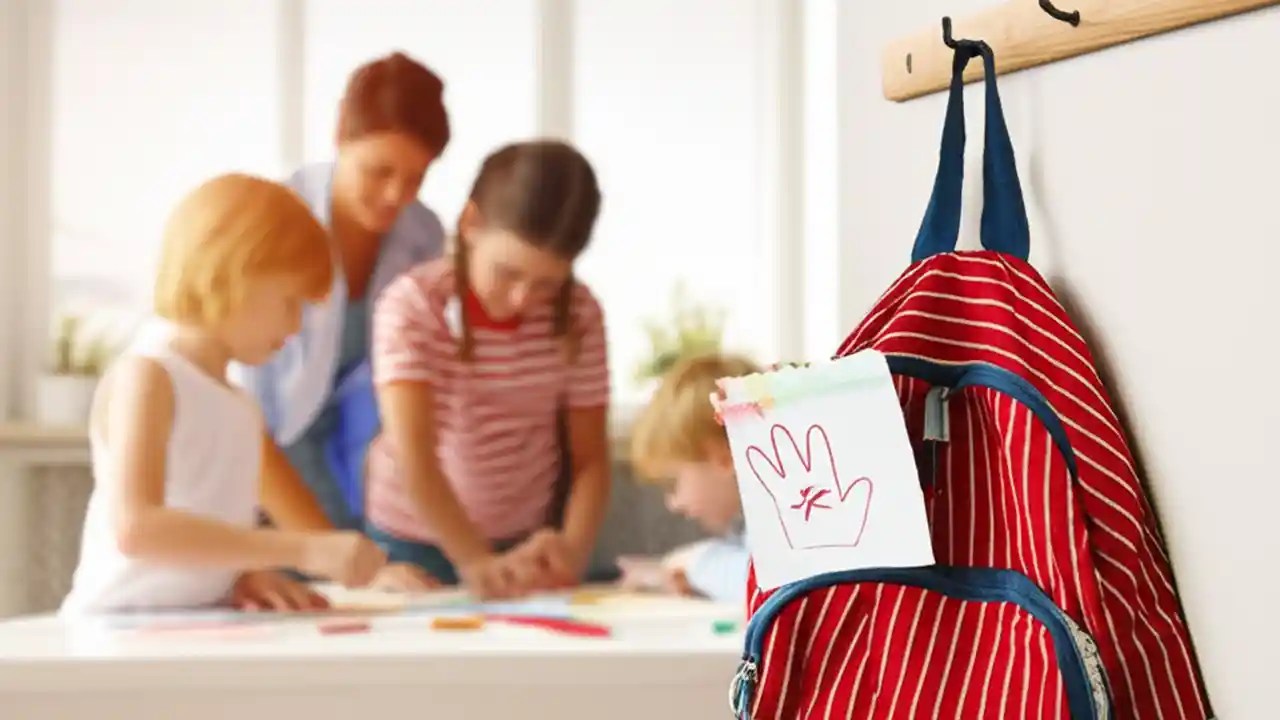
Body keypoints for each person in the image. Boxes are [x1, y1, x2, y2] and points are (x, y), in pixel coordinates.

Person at [61, 174, 388, 615]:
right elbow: (137, 529)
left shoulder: (238, 405)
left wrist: (241, 574)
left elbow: (205, 528)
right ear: (235, 276)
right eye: (290, 302)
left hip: (190, 630)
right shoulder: (149, 376)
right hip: (114, 631)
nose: (294, 328)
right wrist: (302, 551)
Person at [366, 140, 611, 599]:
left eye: (546, 284)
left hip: (524, 539)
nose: (522, 298)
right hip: (412, 543)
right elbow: (414, 456)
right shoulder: (413, 305)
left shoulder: (578, 314)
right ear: (470, 223)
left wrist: (571, 554)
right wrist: (475, 561)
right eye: (507, 272)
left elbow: (590, 460)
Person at [230, 51, 449, 544]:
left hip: (362, 457)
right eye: (380, 171)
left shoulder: (423, 234)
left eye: (416, 177)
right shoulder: (278, 216)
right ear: (340, 137)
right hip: (268, 449)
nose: (397, 194)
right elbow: (246, 400)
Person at [619, 353, 756, 605]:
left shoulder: (784, 518)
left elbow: (764, 585)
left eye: (673, 484)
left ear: (723, 458)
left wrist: (694, 562)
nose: (674, 503)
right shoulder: (746, 526)